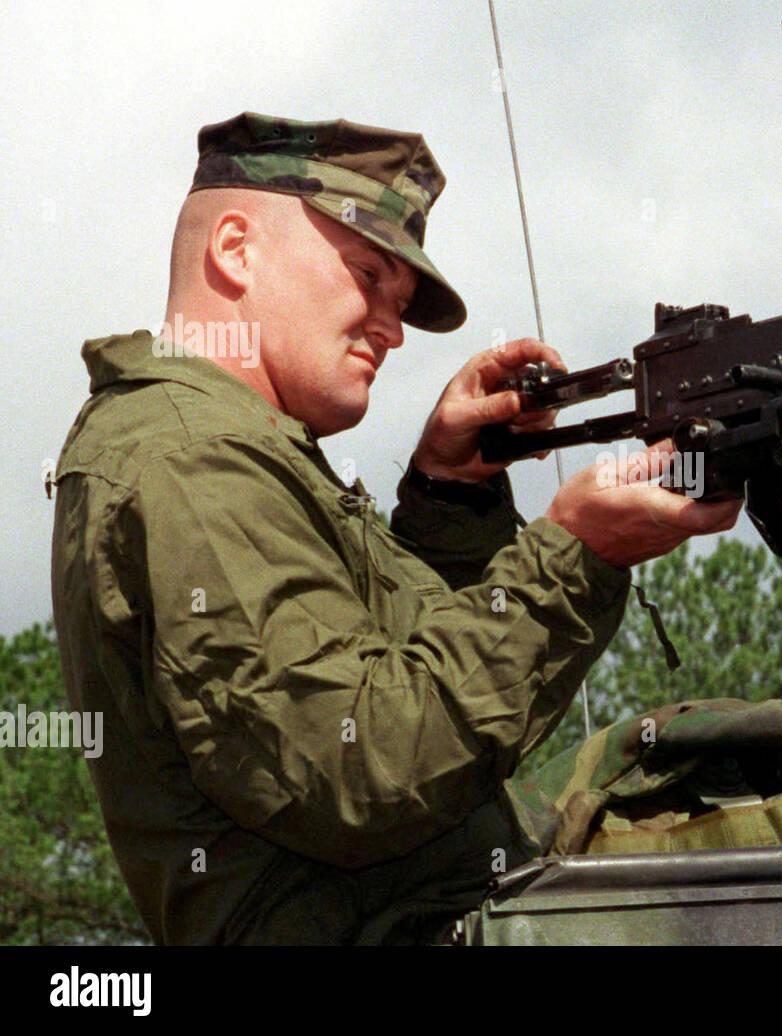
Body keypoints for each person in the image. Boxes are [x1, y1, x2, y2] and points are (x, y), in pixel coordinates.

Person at [50, 112, 741, 945]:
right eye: (367, 275)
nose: (391, 326)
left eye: (402, 301)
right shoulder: (186, 457)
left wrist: (449, 496)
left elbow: (400, 683)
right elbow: (364, 766)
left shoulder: (236, 446)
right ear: (235, 249)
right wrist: (575, 558)